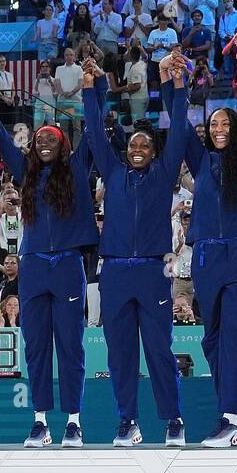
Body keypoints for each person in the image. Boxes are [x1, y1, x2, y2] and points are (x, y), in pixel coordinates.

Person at [0, 63, 101, 450]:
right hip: (34, 267)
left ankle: (73, 421)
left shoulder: (77, 169)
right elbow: (3, 142)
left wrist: (92, 87)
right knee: (36, 346)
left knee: (70, 346)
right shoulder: (26, 174)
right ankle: (40, 422)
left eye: (51, 138)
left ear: (63, 145)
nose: (44, 143)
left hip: (68, 265)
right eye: (39, 139)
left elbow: (95, 133)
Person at [83, 52, 192, 447]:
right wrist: (90, 89)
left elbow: (178, 128)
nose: (138, 147)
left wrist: (177, 87)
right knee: (120, 355)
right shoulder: (112, 173)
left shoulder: (164, 174)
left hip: (153, 270)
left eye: (145, 143)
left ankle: (173, 419)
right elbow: (95, 132)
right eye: (133, 143)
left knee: (160, 349)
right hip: (113, 270)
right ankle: (127, 421)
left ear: (154, 150)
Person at [179, 31, 237, 447]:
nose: (218, 128)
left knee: (236, 336)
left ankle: (231, 417)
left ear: (234, 129)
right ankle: (227, 412)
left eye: (223, 122)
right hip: (204, 257)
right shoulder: (200, 162)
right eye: (212, 123)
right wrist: (176, 83)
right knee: (211, 339)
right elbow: (180, 126)